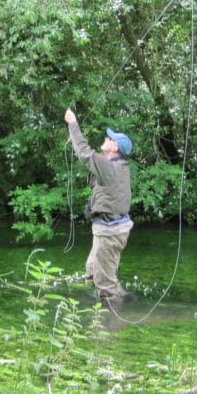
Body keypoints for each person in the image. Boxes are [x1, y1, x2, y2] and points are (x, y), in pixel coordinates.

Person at [64, 108, 133, 302]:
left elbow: (85, 154)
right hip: (110, 229)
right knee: (93, 270)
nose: (106, 138)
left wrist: (72, 123)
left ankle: (112, 315)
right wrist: (75, 139)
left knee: (105, 287)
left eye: (109, 138)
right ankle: (122, 300)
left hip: (109, 232)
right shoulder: (117, 166)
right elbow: (89, 157)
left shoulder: (109, 167)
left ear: (114, 148)